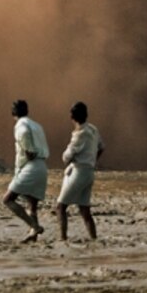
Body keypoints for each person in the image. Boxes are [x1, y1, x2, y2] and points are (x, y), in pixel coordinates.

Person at [3, 99, 49, 240]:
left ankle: (34, 226)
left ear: (13, 113)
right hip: (42, 166)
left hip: (31, 166)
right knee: (31, 203)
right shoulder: (37, 126)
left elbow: (27, 144)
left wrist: (29, 151)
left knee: (8, 199)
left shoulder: (20, 126)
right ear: (27, 111)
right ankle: (33, 235)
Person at [56, 101, 101, 242]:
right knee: (85, 210)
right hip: (89, 173)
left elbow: (66, 157)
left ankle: (63, 238)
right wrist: (92, 160)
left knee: (60, 207)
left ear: (72, 117)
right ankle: (94, 239)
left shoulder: (79, 134)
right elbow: (101, 147)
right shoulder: (93, 129)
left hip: (79, 172)